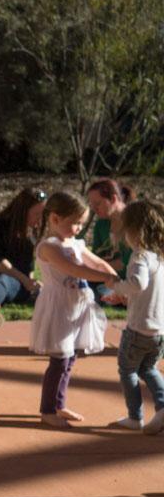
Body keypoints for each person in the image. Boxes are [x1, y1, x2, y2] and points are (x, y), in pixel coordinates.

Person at [31, 192, 120, 428]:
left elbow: (96, 262)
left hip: (77, 306)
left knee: (70, 359)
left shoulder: (75, 243)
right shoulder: (48, 247)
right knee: (59, 360)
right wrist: (106, 278)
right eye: (75, 223)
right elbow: (74, 269)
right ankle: (47, 410)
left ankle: (59, 404)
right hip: (59, 308)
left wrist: (115, 278)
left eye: (82, 223)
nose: (79, 228)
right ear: (55, 219)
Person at [103, 200, 164, 432]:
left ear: (134, 231)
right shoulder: (159, 257)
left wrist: (116, 285)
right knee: (148, 369)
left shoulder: (140, 256)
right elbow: (148, 292)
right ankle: (162, 406)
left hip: (138, 330)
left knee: (127, 370)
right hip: (159, 331)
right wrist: (126, 298)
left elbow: (138, 283)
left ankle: (134, 417)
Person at [0, 187, 46, 325]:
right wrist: (26, 280)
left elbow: (29, 270)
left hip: (13, 282)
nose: (40, 219)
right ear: (23, 211)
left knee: (3, 281)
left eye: (42, 214)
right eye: (36, 214)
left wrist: (32, 284)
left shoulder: (31, 235)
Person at [87, 178, 134, 287]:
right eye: (92, 205)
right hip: (106, 280)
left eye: (97, 203)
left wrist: (101, 265)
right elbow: (96, 257)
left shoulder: (134, 222)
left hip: (133, 282)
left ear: (113, 199)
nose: (94, 209)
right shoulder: (101, 224)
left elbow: (129, 262)